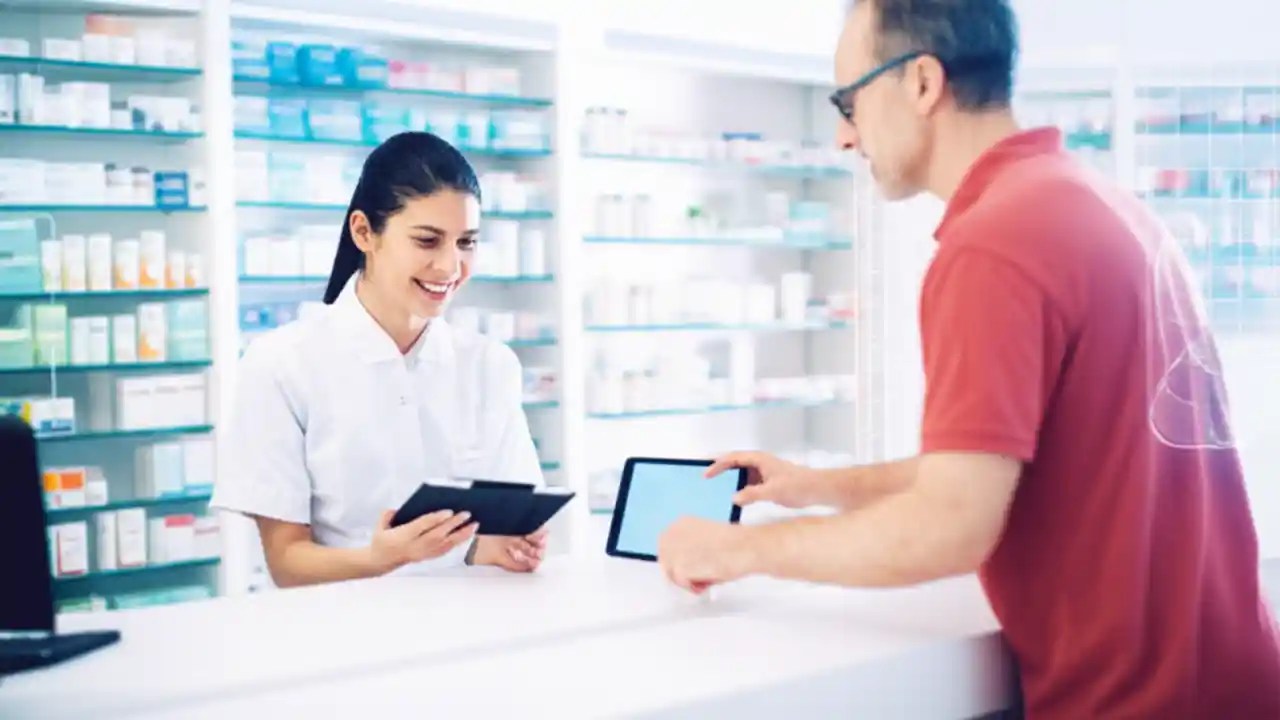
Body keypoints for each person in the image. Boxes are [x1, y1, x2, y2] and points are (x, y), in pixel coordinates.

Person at [656, 0, 1280, 717]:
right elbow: (1022, 468)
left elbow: (950, 526)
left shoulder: (994, 245)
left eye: (848, 102)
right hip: (1235, 684)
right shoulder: (1101, 206)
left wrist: (736, 552)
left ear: (922, 83)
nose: (842, 137)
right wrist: (821, 484)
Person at [212, 131, 549, 588]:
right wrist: (379, 558)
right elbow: (287, 563)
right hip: (341, 635)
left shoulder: (490, 365)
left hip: (470, 631)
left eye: (466, 242)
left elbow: (501, 527)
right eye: (428, 241)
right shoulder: (282, 365)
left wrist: (503, 545)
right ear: (364, 232)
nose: (451, 267)